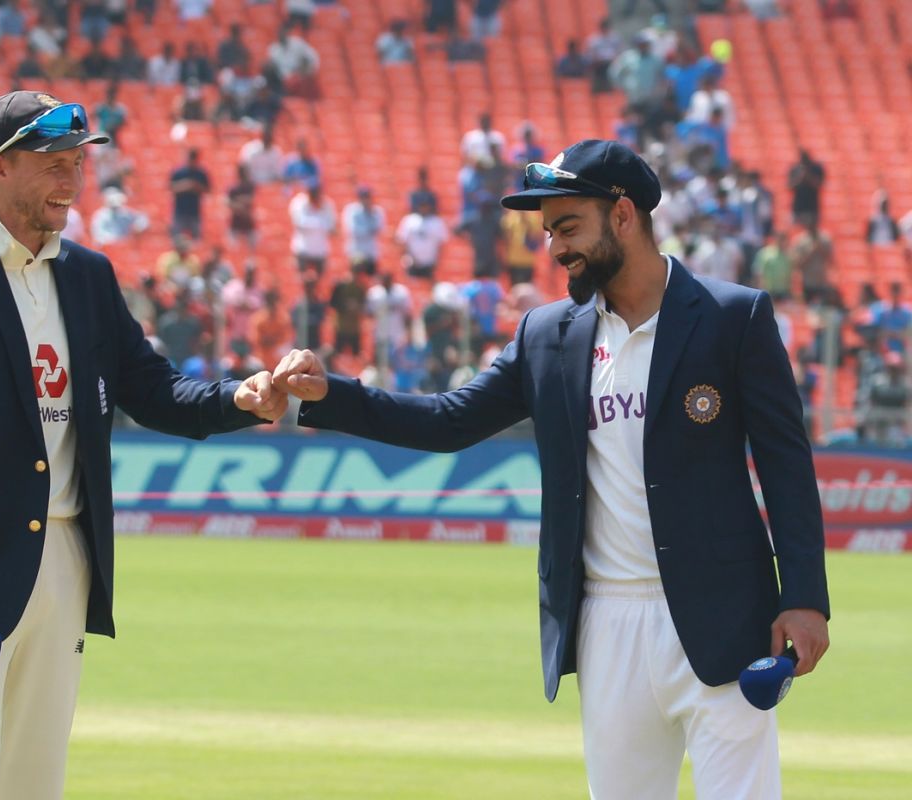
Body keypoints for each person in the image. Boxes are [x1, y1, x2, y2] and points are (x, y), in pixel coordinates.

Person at [272, 139, 830, 799]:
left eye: (568, 227)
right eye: (548, 232)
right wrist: (333, 394)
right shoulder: (546, 335)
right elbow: (449, 420)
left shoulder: (733, 318)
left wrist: (804, 598)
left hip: (727, 622)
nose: (554, 248)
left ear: (622, 215)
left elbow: (786, 467)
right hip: (605, 624)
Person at [0, 91, 286, 800]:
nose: (71, 179)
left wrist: (238, 398)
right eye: (53, 164)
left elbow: (153, 389)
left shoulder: (88, 276)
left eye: (76, 164)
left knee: (36, 779)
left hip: (68, 561)